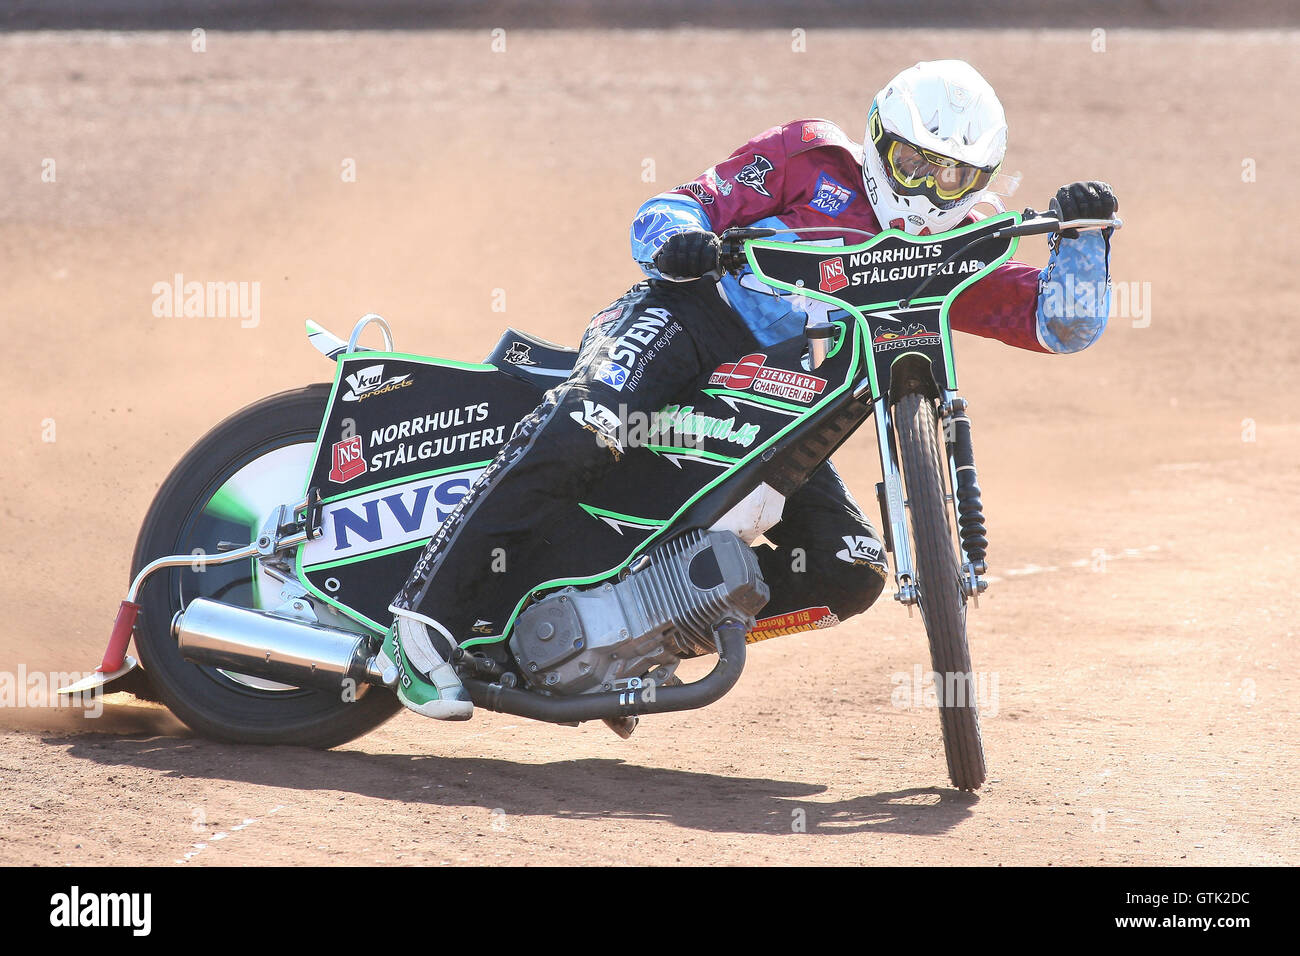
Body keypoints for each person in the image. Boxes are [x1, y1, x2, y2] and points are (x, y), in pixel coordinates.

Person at [377, 58, 1119, 720]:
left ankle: (634, 635)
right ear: (877, 139)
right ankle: (418, 622)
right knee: (593, 419)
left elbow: (1062, 326)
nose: (933, 190)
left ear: (984, 179)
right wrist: (683, 240)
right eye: (917, 163)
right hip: (695, 320)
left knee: (849, 570)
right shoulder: (808, 155)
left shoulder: (958, 247)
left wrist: (1086, 240)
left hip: (789, 401)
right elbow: (672, 207)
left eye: (957, 175)